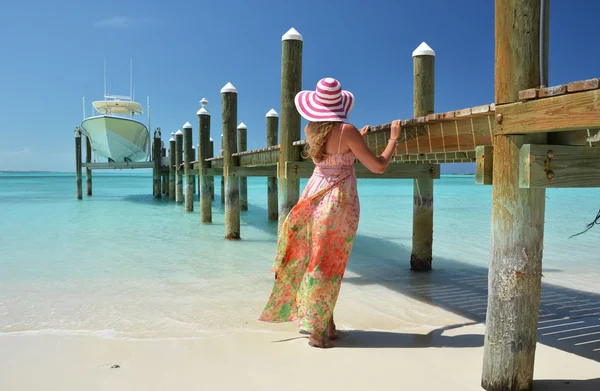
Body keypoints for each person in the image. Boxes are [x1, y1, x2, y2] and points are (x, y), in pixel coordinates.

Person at [258, 77, 402, 348]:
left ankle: (327, 325)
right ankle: (318, 333)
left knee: (318, 260)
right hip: (337, 201)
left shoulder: (311, 128)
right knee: (330, 264)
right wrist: (392, 140)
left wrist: (360, 138)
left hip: (313, 195)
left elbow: (335, 151)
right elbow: (379, 166)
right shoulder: (347, 130)